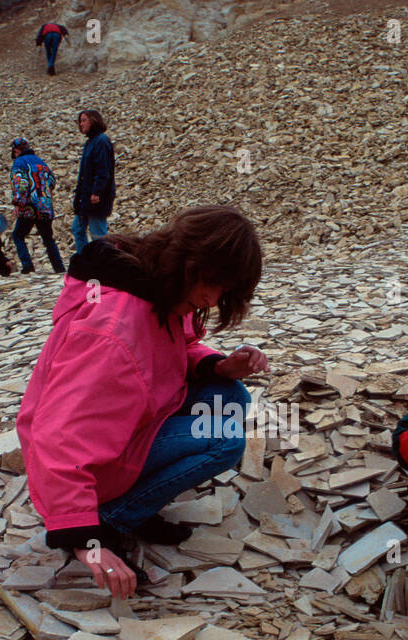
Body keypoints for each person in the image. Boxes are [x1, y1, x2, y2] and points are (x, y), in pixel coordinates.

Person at [17, 205, 268, 598]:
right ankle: (110, 520)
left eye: (224, 291)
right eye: (213, 283)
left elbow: (172, 351)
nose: (212, 298)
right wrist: (82, 536)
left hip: (132, 429)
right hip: (86, 461)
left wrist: (219, 367)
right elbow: (58, 435)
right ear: (188, 259)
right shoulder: (114, 328)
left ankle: (135, 507)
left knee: (229, 396)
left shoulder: (156, 286)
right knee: (225, 439)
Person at [9, 137, 64, 274]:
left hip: (29, 206)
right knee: (48, 238)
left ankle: (27, 266)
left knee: (18, 235)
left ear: (16, 150)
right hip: (44, 205)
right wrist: (44, 194)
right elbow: (52, 181)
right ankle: (59, 268)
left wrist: (17, 202)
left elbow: (21, 183)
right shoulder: (41, 162)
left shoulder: (19, 162)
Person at [71, 109, 114, 254]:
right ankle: (85, 262)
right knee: (77, 229)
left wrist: (97, 192)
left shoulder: (101, 141)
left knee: (98, 234)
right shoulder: (90, 142)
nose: (81, 124)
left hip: (95, 197)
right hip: (85, 197)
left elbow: (103, 170)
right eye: (80, 121)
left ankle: (103, 264)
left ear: (94, 120)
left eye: (84, 120)